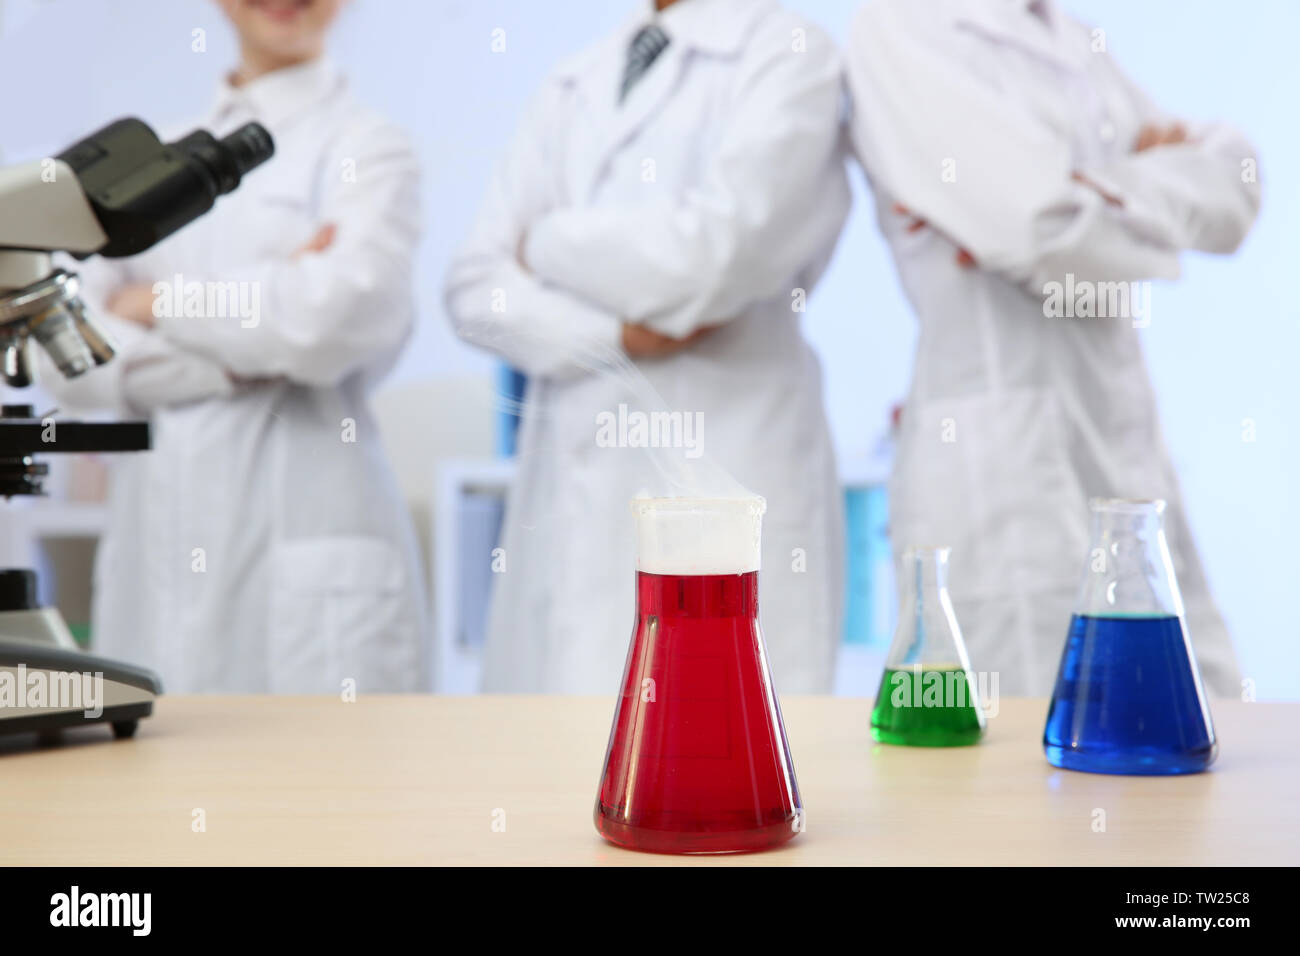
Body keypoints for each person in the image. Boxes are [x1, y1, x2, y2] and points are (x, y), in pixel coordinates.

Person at [846, 0, 1260, 695]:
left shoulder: (1069, 36)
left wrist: (1088, 196)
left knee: (1202, 735)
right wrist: (1126, 189)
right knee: (1027, 773)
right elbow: (1041, 227)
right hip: (1003, 472)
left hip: (1130, 450)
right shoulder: (905, 24)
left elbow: (1237, 186)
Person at [444, 0, 851, 693]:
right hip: (572, 494)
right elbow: (475, 290)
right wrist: (613, 335)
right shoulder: (572, 82)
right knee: (561, 761)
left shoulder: (789, 52)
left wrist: (543, 241)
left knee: (729, 764)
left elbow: (714, 257)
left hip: (726, 463)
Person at [40, 0, 427, 692]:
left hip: (312, 563)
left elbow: (331, 318)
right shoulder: (142, 154)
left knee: (324, 795)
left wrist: (152, 301)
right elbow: (58, 345)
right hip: (154, 553)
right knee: (149, 788)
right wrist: (252, 335)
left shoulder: (367, 147)